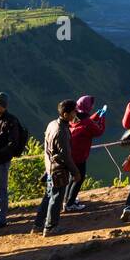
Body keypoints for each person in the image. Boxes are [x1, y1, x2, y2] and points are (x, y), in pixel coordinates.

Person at [33, 100, 81, 237]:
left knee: (48, 196)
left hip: (50, 168)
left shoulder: (52, 124)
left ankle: (38, 224)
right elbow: (65, 156)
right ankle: (51, 227)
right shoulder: (62, 131)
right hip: (58, 170)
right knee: (56, 198)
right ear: (66, 114)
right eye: (73, 112)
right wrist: (75, 172)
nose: (75, 114)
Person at [0, 92, 26, 230]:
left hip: (1, 161)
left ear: (3, 106)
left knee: (0, 189)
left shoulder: (11, 121)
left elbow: (12, 144)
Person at [65, 96, 107, 211]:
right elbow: (98, 131)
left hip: (70, 152)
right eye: (91, 105)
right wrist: (102, 118)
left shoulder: (74, 116)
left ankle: (67, 200)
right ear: (87, 106)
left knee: (72, 177)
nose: (92, 106)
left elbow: (86, 122)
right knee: (79, 178)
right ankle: (70, 204)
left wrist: (96, 115)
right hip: (79, 154)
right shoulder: (87, 122)